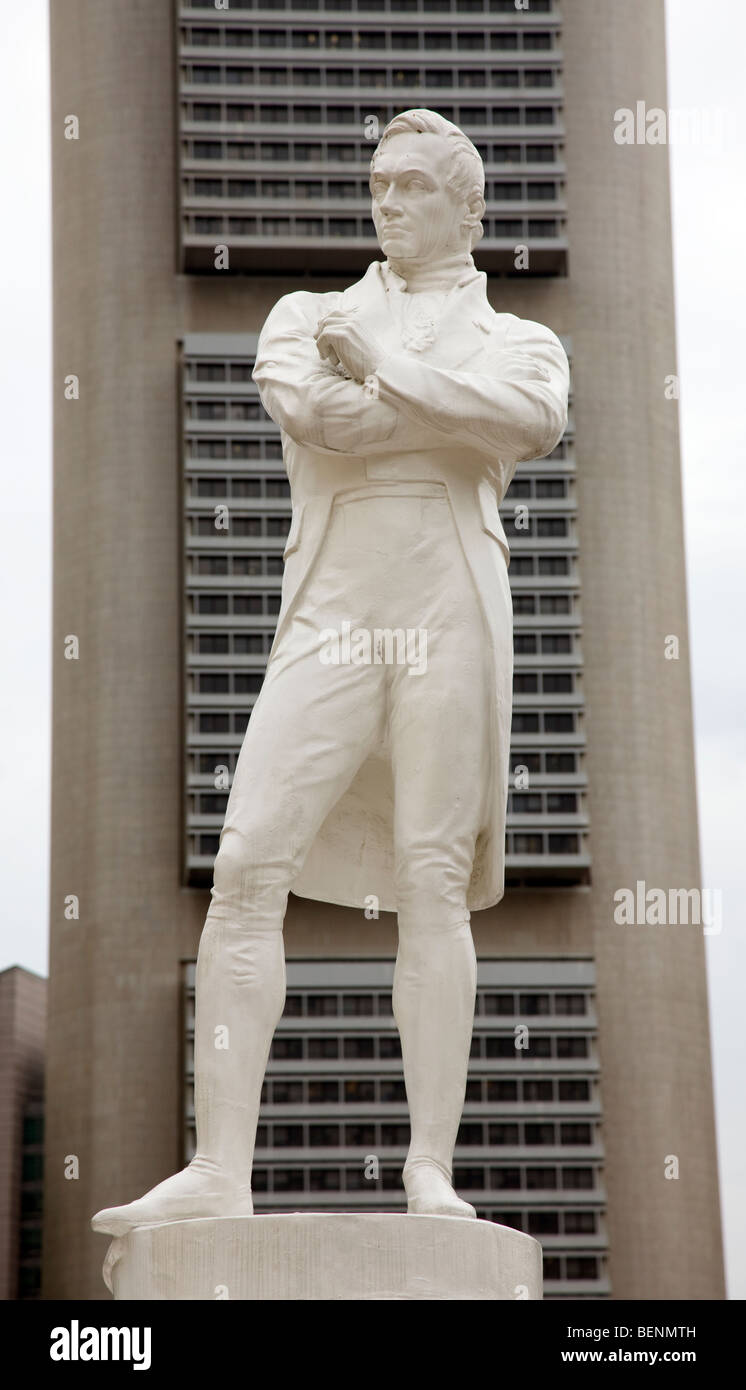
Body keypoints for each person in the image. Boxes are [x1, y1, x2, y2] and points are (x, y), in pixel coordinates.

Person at [92, 108, 569, 1236]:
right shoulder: (307, 313)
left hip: (450, 600)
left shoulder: (523, 337)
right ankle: (217, 1167)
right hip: (335, 606)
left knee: (432, 876)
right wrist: (421, 402)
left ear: (469, 205)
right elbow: (316, 414)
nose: (388, 202)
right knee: (249, 858)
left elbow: (528, 419)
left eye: (411, 185)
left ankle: (428, 1167)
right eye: (378, 184)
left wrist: (388, 375)